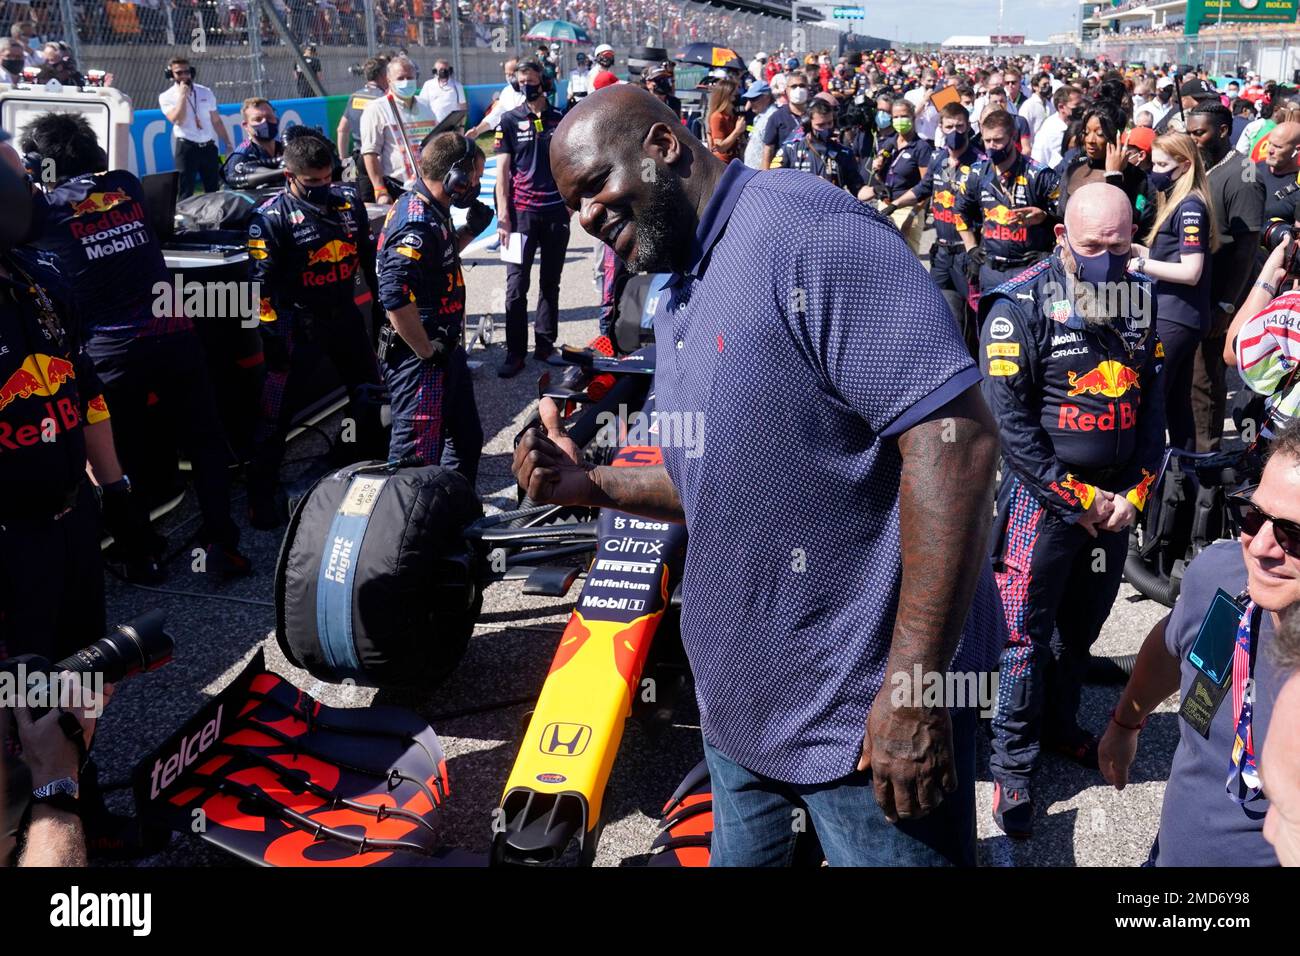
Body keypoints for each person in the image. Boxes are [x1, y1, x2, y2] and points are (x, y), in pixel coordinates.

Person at [530, 85, 1006, 868]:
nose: (584, 216)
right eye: (571, 203)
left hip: (860, 725)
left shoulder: (808, 232)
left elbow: (955, 442)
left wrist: (915, 691)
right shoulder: (673, 280)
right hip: (741, 719)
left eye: (594, 187)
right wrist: (587, 486)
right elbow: (713, 482)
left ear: (664, 147)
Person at [980, 183, 1165, 838]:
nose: (1109, 263)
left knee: (1080, 630)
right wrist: (1077, 498)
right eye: (1094, 248)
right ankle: (1011, 766)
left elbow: (1154, 417)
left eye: (1121, 248)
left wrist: (1133, 496)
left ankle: (1059, 728)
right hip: (1043, 504)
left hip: (1114, 505)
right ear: (1063, 239)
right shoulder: (1017, 306)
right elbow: (1011, 426)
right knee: (1023, 638)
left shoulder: (1140, 305)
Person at [19, 113, 249, 577]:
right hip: (174, 334)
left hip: (111, 351)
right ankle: (223, 541)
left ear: (41, 165)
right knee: (203, 438)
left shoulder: (42, 216)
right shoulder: (126, 185)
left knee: (113, 454)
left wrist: (36, 177)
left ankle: (140, 553)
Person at [1098, 420, 1300, 866]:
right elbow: (1172, 647)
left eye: (1294, 536)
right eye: (1254, 516)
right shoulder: (1223, 580)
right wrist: (1124, 724)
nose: (1262, 547)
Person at [0, 132, 143, 661]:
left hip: (74, 517)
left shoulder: (42, 275)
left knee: (84, 669)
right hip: (13, 542)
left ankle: (78, 746)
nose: (35, 192)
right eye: (22, 182)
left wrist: (116, 488)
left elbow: (85, 389)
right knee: (22, 693)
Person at [243, 135, 383, 527]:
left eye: (328, 178)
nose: (323, 188)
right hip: (294, 324)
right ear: (290, 176)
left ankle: (363, 464)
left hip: (344, 315)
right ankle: (260, 495)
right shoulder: (269, 218)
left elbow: (368, 259)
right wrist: (271, 337)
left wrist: (383, 310)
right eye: (313, 182)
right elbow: (257, 287)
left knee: (368, 393)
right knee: (274, 415)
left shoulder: (348, 201)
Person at [376, 133, 492, 480]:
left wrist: (470, 231)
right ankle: (416, 532)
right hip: (420, 357)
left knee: (467, 440)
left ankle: (452, 514)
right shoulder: (417, 220)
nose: (477, 184)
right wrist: (426, 351)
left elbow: (436, 260)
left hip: (444, 347)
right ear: (455, 177)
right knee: (415, 463)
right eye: (476, 177)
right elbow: (394, 294)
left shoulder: (431, 208)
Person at [1128, 131, 1217, 454]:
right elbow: (1173, 260)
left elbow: (1190, 272)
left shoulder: (1191, 207)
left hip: (1175, 317)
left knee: (1153, 400)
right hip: (1173, 312)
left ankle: (1147, 474)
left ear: (1185, 165)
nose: (1155, 170)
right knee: (1178, 405)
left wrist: (1141, 265)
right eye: (1154, 162)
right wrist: (1143, 253)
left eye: (1163, 164)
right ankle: (1187, 474)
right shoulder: (1179, 201)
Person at [1186, 101, 1265, 453]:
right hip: (1195, 292)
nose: (1193, 139)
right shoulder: (1202, 168)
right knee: (1191, 378)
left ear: (1222, 131)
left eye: (1199, 132)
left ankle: (1208, 454)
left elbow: (1246, 249)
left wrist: (1227, 304)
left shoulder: (1243, 175)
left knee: (1207, 378)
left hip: (1221, 296)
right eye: (1189, 132)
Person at [493, 60, 571, 379]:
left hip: (555, 214)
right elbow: (501, 174)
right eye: (520, 81)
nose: (526, 86)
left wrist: (570, 205)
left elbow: (572, 164)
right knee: (516, 285)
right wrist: (503, 217)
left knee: (550, 282)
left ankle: (544, 344)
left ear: (544, 81)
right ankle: (514, 352)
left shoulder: (560, 119)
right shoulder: (509, 120)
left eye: (531, 80)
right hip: (521, 215)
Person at [886, 101, 983, 348]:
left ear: (968, 128)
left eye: (960, 127)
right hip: (941, 255)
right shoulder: (938, 159)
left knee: (974, 319)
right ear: (940, 127)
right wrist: (894, 205)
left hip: (967, 255)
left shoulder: (980, 164)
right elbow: (922, 188)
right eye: (949, 126)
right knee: (943, 315)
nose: (954, 132)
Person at [958, 109, 1061, 292]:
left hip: (1030, 269)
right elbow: (960, 211)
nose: (991, 146)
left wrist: (1045, 218)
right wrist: (971, 247)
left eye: (998, 140)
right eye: (987, 140)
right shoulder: (977, 173)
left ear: (1013, 137)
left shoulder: (1039, 174)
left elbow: (1066, 217)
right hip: (991, 270)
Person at [1058, 102, 1154, 237]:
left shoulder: (1137, 178)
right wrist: (1043, 217)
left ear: (1116, 135)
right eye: (1086, 132)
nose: (1090, 140)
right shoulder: (1072, 170)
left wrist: (1114, 177)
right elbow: (1060, 219)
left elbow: (1127, 224)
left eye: (1100, 134)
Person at [360, 56, 437, 206]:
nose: (406, 82)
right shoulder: (376, 109)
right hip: (399, 187)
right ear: (389, 81)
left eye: (409, 77)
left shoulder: (425, 105)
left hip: (428, 185)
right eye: (400, 78)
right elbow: (370, 153)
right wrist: (380, 189)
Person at [864, 98, 932, 252]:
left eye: (904, 116)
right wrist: (878, 167)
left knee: (908, 256)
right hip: (885, 205)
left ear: (913, 118)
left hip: (908, 209)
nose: (899, 120)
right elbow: (880, 179)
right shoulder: (888, 143)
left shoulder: (921, 148)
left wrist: (914, 214)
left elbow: (927, 186)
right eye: (895, 117)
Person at [158, 57, 231, 199]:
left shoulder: (205, 92)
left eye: (187, 71)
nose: (184, 76)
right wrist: (182, 96)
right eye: (179, 73)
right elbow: (178, 119)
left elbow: (216, 120)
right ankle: (186, 220)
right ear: (171, 75)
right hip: (187, 147)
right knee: (186, 189)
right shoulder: (166, 96)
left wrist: (227, 143)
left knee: (213, 188)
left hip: (208, 146)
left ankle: (214, 217)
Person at [770, 98, 869, 200]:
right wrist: (809, 183)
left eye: (829, 123)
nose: (826, 128)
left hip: (832, 210)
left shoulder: (844, 153)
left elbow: (858, 190)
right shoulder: (790, 150)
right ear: (808, 124)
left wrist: (876, 191)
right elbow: (772, 181)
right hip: (798, 209)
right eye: (820, 125)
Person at [336, 55, 388, 203]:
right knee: (383, 200)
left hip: (355, 158)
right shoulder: (383, 99)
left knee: (358, 199)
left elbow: (342, 129)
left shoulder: (354, 96)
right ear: (383, 76)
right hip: (377, 159)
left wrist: (344, 158)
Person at [220, 98, 283, 191]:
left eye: (269, 117)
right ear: (246, 125)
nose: (265, 122)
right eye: (258, 119)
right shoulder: (241, 156)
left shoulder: (285, 148)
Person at [761, 71, 810, 170]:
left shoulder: (814, 115)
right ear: (786, 90)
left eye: (802, 85)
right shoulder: (776, 117)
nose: (798, 89)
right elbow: (768, 150)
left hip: (810, 172)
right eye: (794, 86)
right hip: (785, 173)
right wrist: (764, 178)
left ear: (808, 88)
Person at [467, 58, 525, 140]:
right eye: (506, 74)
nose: (509, 78)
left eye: (511, 74)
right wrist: (477, 130)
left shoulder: (533, 90)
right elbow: (495, 116)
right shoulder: (507, 92)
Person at [1258, 121, 1300, 226]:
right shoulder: (1254, 169)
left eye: (1278, 147)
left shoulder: (1297, 185)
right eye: (1269, 143)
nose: (1270, 150)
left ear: (1297, 149)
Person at [1030, 84, 1082, 171]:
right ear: (1061, 107)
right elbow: (1037, 163)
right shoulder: (1048, 132)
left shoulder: (1079, 124)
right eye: (1077, 106)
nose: (1081, 109)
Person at [705, 78, 743, 164]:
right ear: (727, 97)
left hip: (735, 161)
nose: (737, 97)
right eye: (734, 95)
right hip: (723, 163)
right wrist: (737, 131)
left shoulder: (734, 115)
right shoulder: (717, 117)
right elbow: (720, 147)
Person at [420, 58, 467, 124]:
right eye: (440, 70)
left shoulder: (457, 86)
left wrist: (461, 126)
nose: (443, 72)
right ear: (435, 71)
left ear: (450, 70)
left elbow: (463, 108)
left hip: (452, 125)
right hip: (434, 125)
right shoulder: (428, 85)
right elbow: (422, 105)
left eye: (445, 70)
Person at [742, 80, 777, 170]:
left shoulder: (772, 117)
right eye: (749, 99)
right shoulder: (759, 117)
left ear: (767, 97)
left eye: (754, 99)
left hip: (761, 175)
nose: (751, 103)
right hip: (753, 171)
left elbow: (770, 150)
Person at [1019, 72, 1055, 138]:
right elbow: (1023, 129)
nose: (1047, 87)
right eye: (1044, 84)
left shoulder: (1050, 105)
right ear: (1035, 87)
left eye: (1048, 84)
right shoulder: (1028, 105)